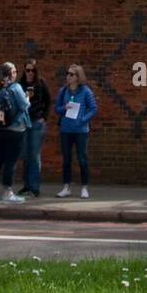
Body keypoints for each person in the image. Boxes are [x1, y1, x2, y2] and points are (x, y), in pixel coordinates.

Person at [0, 62, 30, 204]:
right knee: (11, 161)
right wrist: (28, 98)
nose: (16, 73)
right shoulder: (16, 87)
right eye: (15, 71)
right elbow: (24, 105)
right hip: (16, 129)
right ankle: (7, 192)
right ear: (11, 73)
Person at [55, 62, 98, 198]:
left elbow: (93, 108)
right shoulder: (63, 91)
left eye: (71, 74)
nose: (68, 76)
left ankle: (84, 188)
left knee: (82, 159)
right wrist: (64, 108)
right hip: (66, 130)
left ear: (78, 77)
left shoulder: (86, 91)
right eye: (67, 74)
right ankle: (66, 187)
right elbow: (57, 109)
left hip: (81, 131)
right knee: (66, 159)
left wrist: (83, 120)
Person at [19, 59, 51, 196]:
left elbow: (48, 101)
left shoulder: (41, 83)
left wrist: (44, 116)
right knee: (25, 154)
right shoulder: (20, 85)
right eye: (28, 70)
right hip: (24, 122)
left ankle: (34, 187)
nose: (30, 73)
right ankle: (26, 185)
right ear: (24, 71)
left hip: (37, 122)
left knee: (35, 155)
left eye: (33, 70)